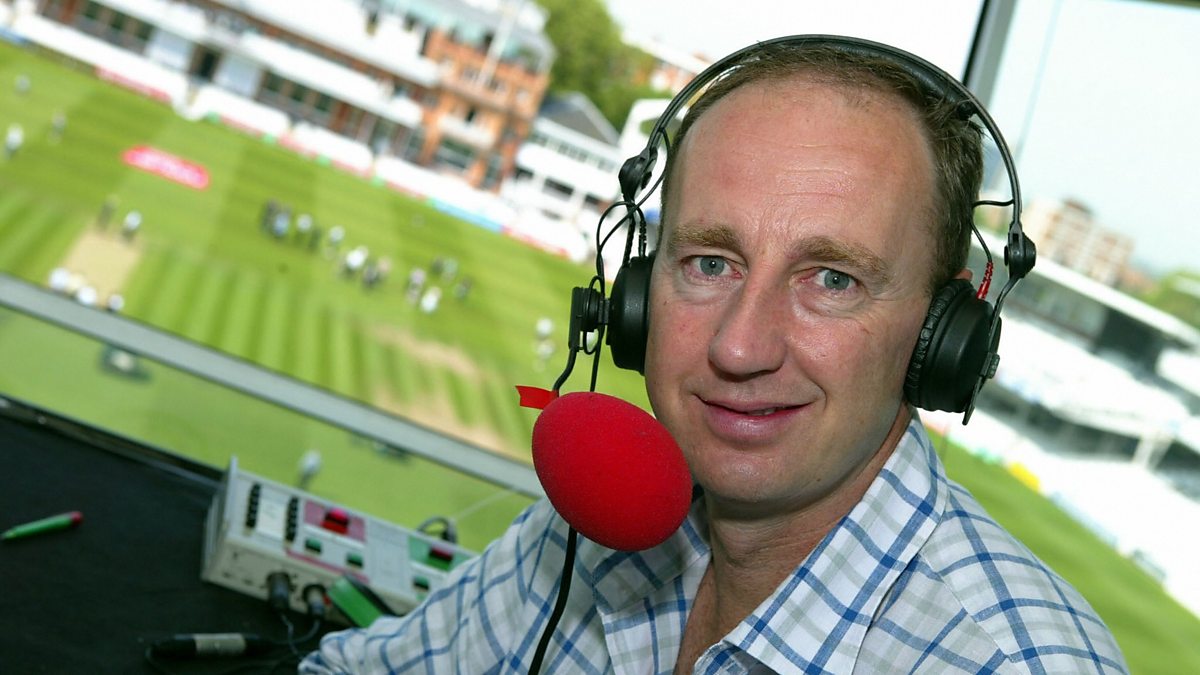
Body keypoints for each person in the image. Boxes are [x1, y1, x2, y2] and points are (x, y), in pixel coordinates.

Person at [302, 39, 1127, 674]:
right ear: (633, 297)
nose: (738, 345)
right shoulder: (603, 525)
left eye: (832, 279)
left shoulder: (1009, 661)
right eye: (709, 262)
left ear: (943, 336)